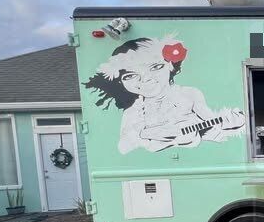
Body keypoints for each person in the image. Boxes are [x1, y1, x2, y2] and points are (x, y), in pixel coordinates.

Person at [84, 37, 245, 154]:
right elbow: (123, 148)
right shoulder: (134, 112)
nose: (145, 78)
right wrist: (145, 135)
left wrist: (226, 124)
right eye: (130, 76)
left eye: (155, 67)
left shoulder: (190, 94)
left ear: (170, 66)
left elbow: (210, 122)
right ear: (120, 82)